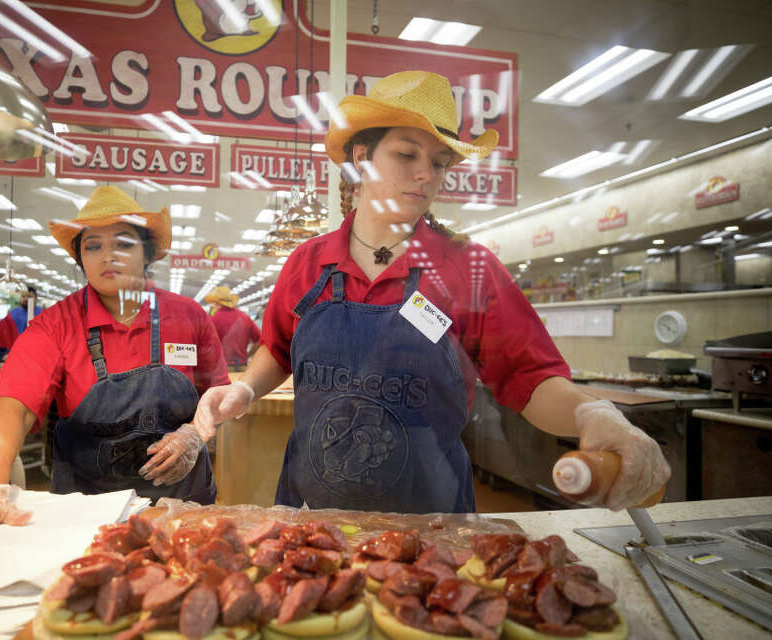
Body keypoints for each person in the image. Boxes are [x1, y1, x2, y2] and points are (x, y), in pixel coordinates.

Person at [188, 71, 671, 514]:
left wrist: (591, 412)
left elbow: (531, 379)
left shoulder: (467, 268)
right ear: (361, 157)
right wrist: (245, 389)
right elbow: (279, 348)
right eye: (407, 155)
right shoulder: (308, 263)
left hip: (432, 525)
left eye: (439, 163)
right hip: (313, 516)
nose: (427, 174)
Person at [0, 185, 229, 547]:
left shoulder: (189, 317)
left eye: (123, 243)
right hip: (89, 513)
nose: (108, 256)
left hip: (183, 507)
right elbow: (12, 408)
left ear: (147, 252)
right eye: (93, 246)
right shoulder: (55, 326)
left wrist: (193, 435)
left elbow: (217, 397)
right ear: (80, 258)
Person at [205, 285, 261, 369]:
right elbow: (259, 340)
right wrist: (248, 354)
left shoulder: (212, 320)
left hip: (221, 368)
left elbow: (206, 346)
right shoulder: (245, 317)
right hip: (242, 366)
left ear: (216, 303)